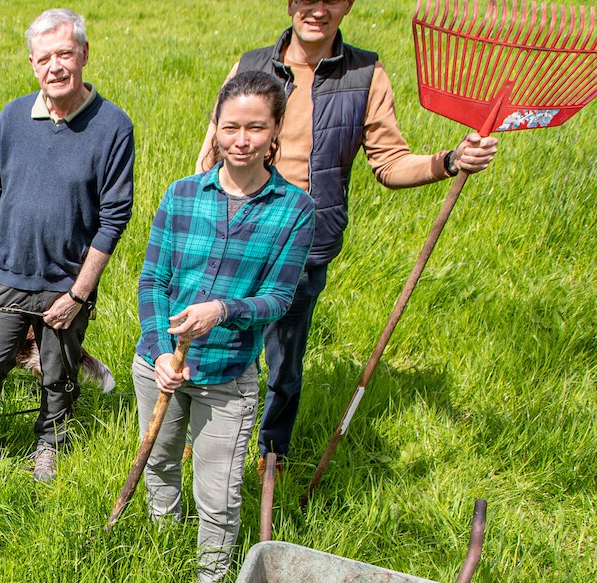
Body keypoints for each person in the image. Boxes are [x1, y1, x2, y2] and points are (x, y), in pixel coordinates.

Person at [196, 0, 498, 477]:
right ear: (291, 3)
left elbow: (390, 162)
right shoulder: (251, 64)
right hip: (236, 230)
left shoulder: (365, 74)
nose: (318, 10)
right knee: (214, 337)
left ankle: (270, 455)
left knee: (284, 360)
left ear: (349, 5)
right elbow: (215, 144)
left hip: (304, 243)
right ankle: (207, 445)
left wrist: (449, 161)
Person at [138, 71, 314, 583]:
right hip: (161, 366)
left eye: (256, 128)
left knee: (217, 492)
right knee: (160, 461)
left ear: (276, 129)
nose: (241, 140)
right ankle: (158, 545)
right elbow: (153, 280)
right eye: (230, 126)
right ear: (214, 128)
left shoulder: (293, 210)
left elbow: (279, 300)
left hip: (227, 373)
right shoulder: (182, 195)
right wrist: (163, 351)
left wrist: (222, 310)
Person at [0, 8, 134, 483]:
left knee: (58, 374)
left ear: (84, 55)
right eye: (44, 58)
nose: (55, 66)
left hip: (66, 283)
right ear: (32, 64)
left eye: (65, 54)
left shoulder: (113, 126)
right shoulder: (12, 118)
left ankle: (49, 446)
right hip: (10, 277)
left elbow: (115, 216)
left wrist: (79, 294)